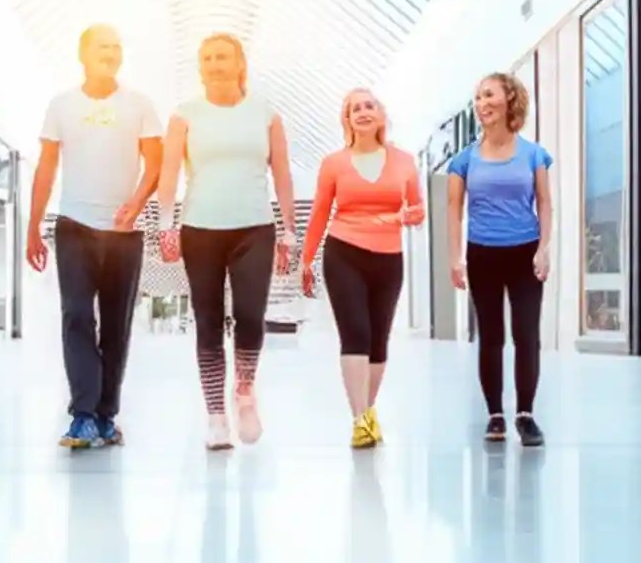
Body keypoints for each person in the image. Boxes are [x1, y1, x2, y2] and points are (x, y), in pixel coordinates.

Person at [156, 32, 296, 451]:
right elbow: (168, 177)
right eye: (208, 58)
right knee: (208, 320)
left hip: (254, 226)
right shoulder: (184, 115)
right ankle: (216, 415)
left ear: (240, 65)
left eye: (223, 57)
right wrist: (166, 225)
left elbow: (283, 177)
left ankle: (245, 390)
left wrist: (289, 230)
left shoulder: (266, 115)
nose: (215, 64)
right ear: (201, 68)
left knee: (252, 314)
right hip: (200, 229)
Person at [26, 24, 162, 449]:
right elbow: (46, 169)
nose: (112, 53)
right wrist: (34, 227)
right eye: (104, 46)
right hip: (75, 227)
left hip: (124, 234)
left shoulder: (140, 105)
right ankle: (83, 415)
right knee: (77, 316)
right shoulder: (61, 105)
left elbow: (155, 164)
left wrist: (137, 203)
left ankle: (106, 415)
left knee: (116, 326)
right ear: (83, 53)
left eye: (118, 47)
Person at [301, 88, 424, 448]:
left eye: (369, 106)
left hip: (388, 257)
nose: (363, 112)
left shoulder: (403, 161)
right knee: (355, 333)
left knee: (378, 339)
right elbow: (321, 211)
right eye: (355, 108)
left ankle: (368, 411)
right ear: (347, 119)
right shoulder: (333, 164)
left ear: (381, 115)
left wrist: (408, 215)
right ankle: (358, 419)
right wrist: (306, 259)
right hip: (344, 252)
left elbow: (417, 208)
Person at [447, 72, 553, 447]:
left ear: (509, 98)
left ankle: (525, 415)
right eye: (477, 98)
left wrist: (543, 248)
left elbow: (544, 202)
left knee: (527, 336)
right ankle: (495, 415)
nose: (481, 103)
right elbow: (453, 209)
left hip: (524, 251)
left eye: (488, 95)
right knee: (490, 337)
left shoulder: (534, 154)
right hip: (483, 253)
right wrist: (455, 258)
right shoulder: (463, 160)